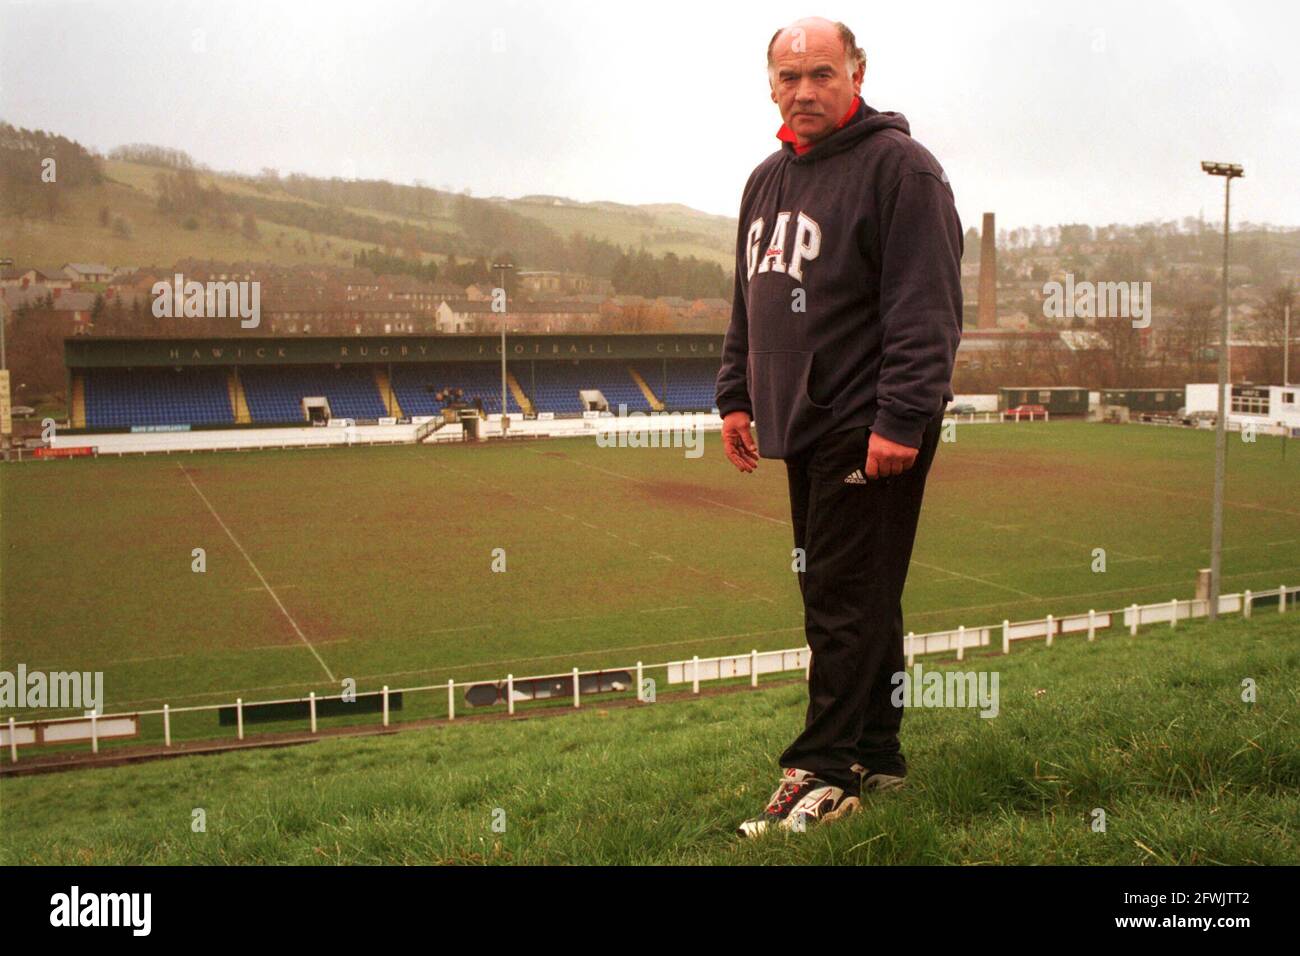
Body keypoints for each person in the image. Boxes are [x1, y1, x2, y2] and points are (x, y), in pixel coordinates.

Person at [715, 16, 963, 837]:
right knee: (866, 595)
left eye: (821, 73)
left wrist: (901, 417)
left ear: (857, 71)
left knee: (837, 597)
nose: (805, 90)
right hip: (804, 424)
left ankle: (822, 770)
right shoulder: (765, 180)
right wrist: (735, 394)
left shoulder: (903, 171)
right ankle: (878, 755)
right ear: (770, 85)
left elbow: (926, 310)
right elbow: (748, 302)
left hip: (870, 427)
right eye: (789, 77)